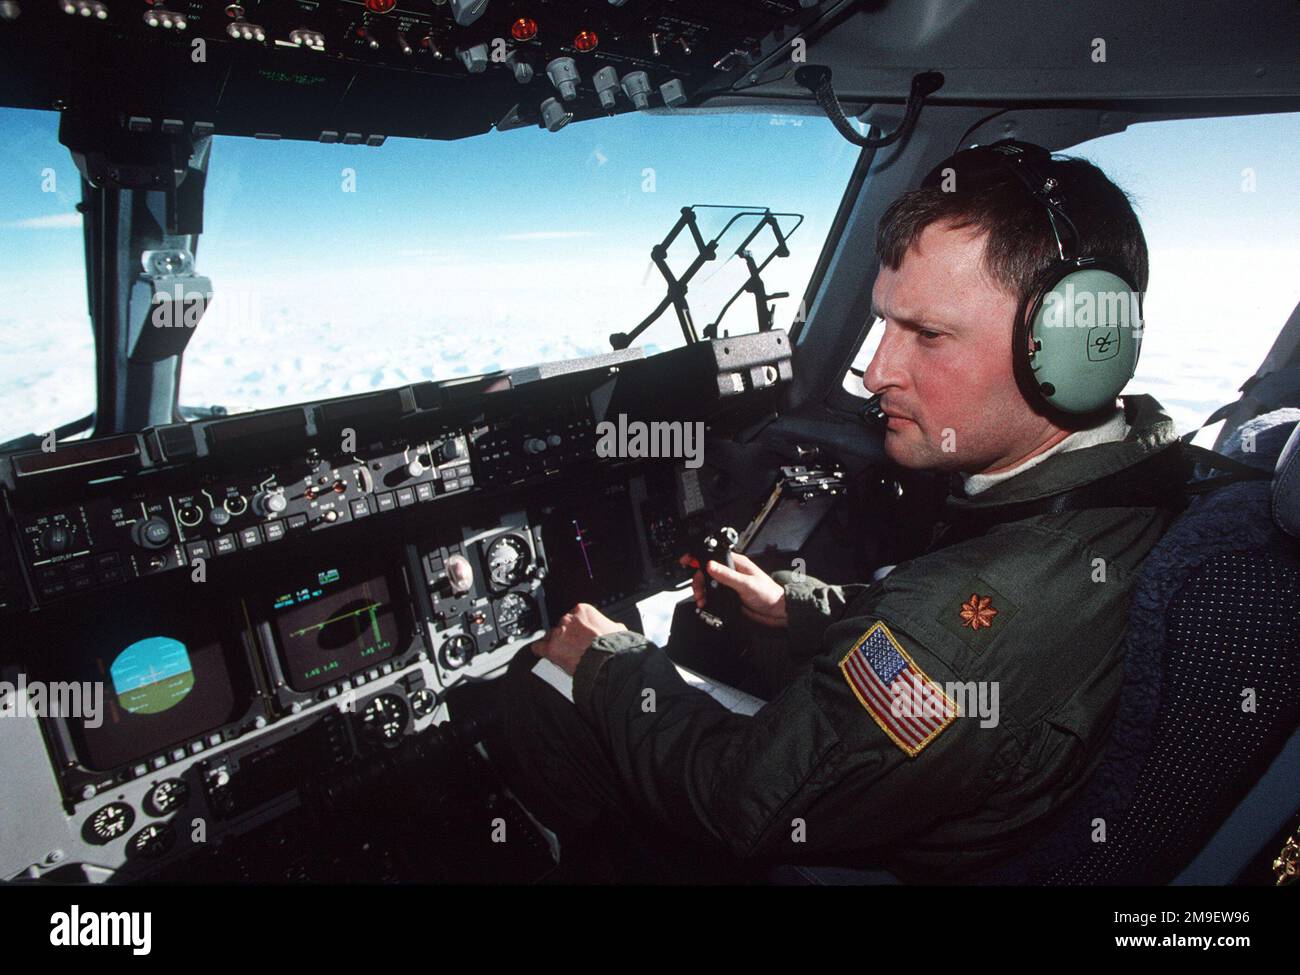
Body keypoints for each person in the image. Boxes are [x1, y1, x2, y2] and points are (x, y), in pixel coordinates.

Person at [492, 141, 1184, 883]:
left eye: (928, 334)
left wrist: (607, 658)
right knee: (702, 637)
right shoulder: (1141, 478)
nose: (878, 370)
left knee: (535, 694)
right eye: (884, 324)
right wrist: (802, 608)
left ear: (1075, 352)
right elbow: (945, 631)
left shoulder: (949, 639)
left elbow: (739, 798)